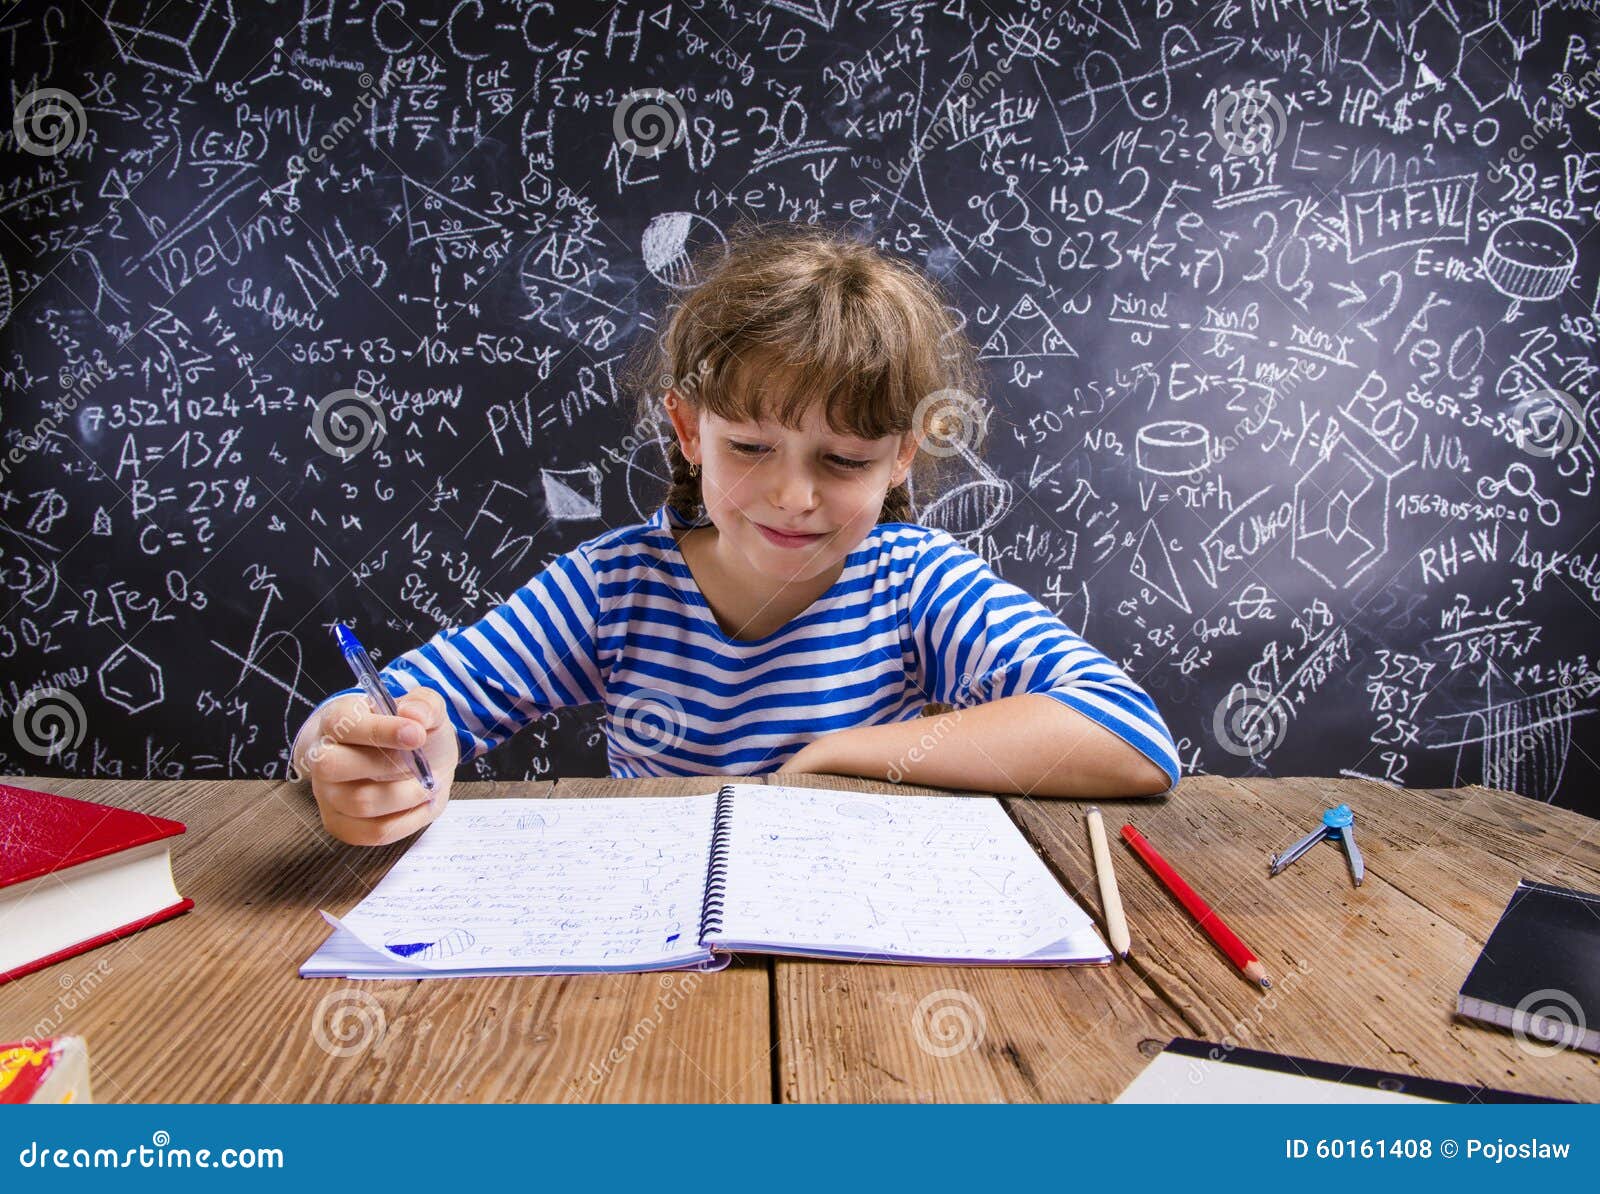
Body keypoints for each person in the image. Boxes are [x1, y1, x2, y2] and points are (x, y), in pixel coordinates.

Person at [293, 222, 1180, 846]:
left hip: (861, 939)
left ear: (902, 457)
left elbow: (1130, 738)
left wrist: (838, 756)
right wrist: (357, 749)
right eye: (751, 447)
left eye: (843, 461)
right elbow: (386, 712)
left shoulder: (913, 582)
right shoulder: (612, 589)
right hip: (657, 943)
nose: (793, 496)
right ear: (687, 431)